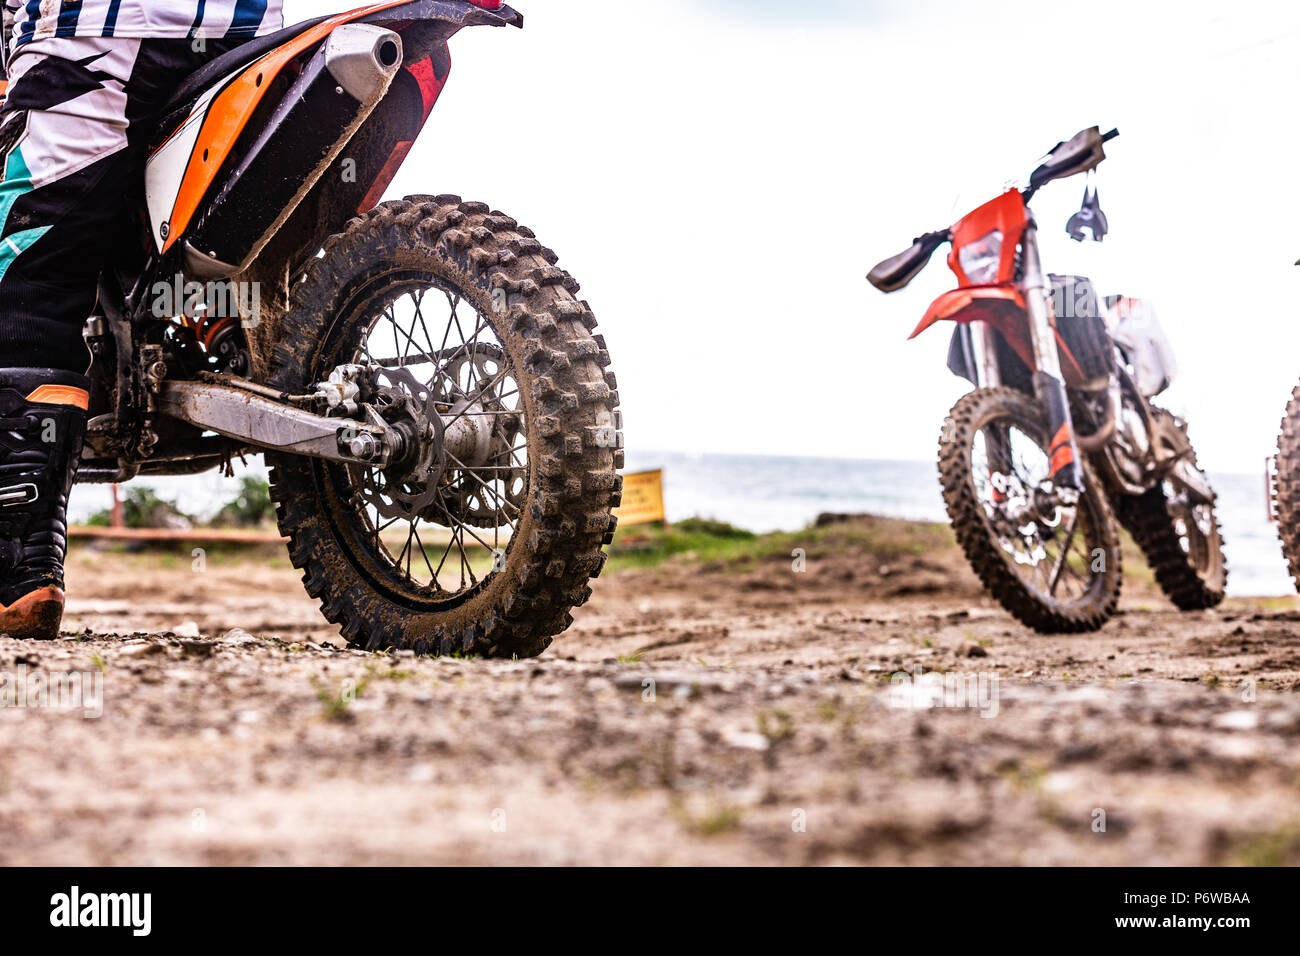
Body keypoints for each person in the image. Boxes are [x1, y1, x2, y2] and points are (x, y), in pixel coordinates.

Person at [0, 1, 285, 639]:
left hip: (100, 34)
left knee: (29, 295)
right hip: (252, 29)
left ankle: (19, 573)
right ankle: (214, 323)